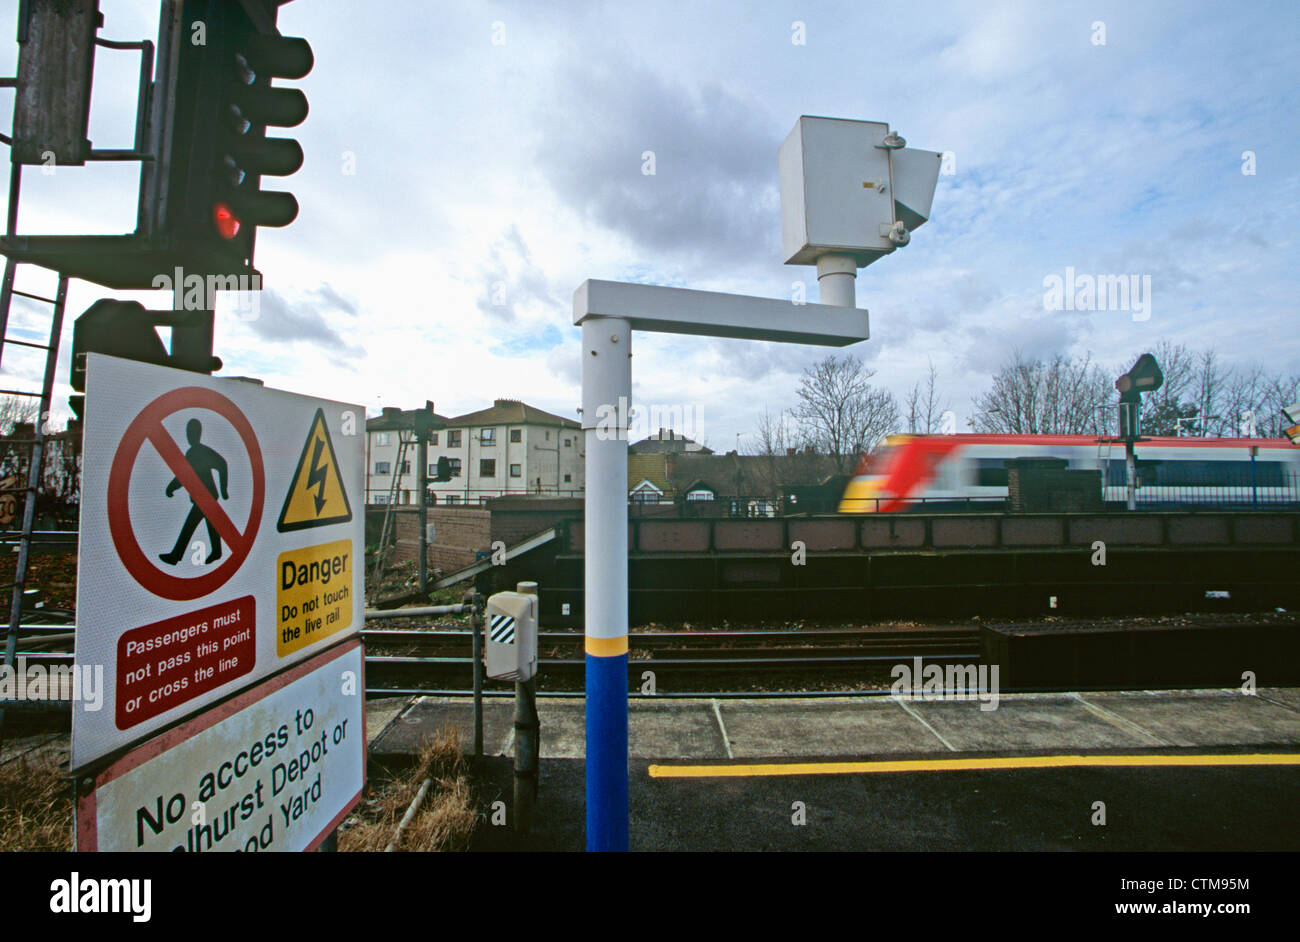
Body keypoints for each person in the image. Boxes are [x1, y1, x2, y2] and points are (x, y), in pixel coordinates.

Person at [159, 418, 229, 566]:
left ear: (198, 434)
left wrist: (224, 490)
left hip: (206, 498)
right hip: (203, 498)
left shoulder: (199, 451)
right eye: (188, 432)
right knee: (212, 524)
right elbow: (185, 476)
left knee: (189, 526)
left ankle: (175, 556)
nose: (189, 436)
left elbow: (222, 464)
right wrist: (172, 487)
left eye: (192, 432)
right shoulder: (192, 452)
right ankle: (216, 552)